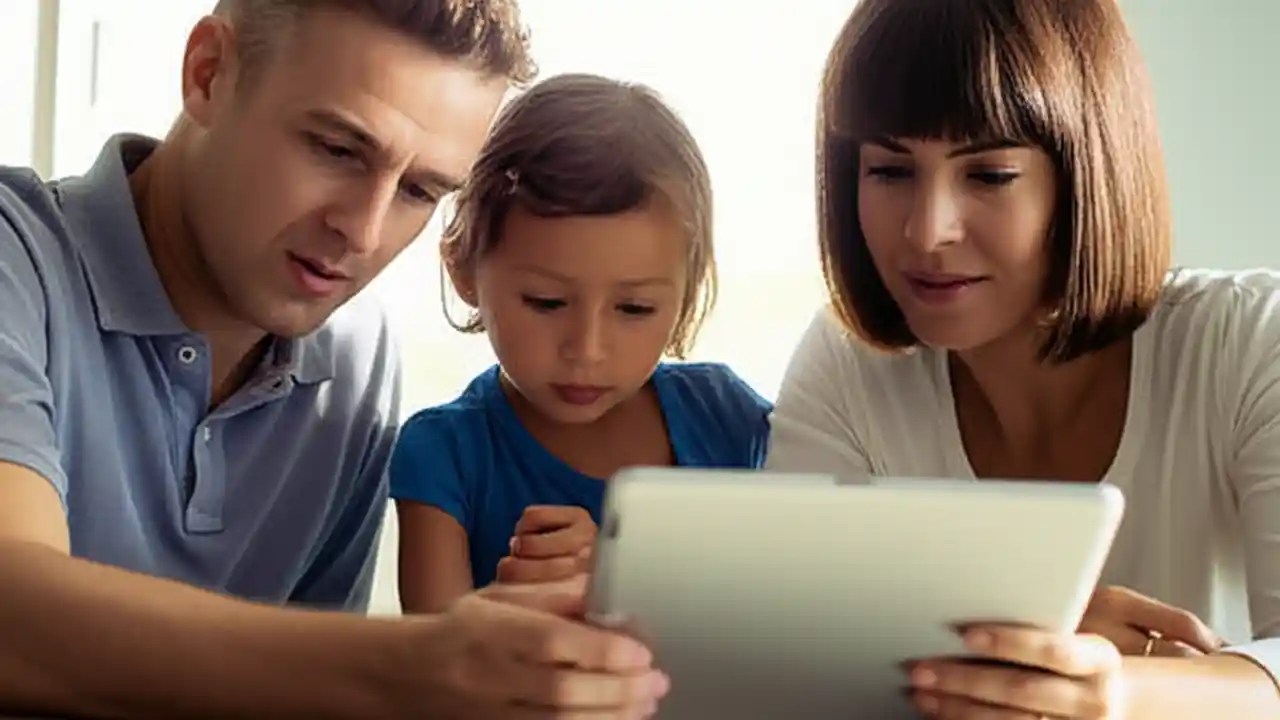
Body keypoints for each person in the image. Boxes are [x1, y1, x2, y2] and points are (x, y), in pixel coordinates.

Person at [0, 1, 669, 717]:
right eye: (339, 150)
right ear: (209, 73)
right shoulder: (18, 261)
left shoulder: (356, 356)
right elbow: (15, 623)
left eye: (419, 191)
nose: (364, 231)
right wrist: (414, 666)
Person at [765, 0, 1280, 717]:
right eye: (889, 170)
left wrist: (1109, 692)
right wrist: (1021, 640)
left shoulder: (1252, 340)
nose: (926, 231)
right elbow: (787, 651)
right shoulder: (846, 366)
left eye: (989, 175)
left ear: (1088, 174)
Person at [390, 73, 772, 613]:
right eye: (546, 302)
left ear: (686, 295)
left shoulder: (729, 418)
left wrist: (626, 578)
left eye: (634, 309)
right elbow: (433, 676)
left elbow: (795, 610)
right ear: (463, 266)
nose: (587, 349)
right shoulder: (446, 454)